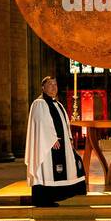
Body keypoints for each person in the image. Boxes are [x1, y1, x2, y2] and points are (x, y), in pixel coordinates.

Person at [23, 76, 87, 207]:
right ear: (43, 87)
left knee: (76, 162)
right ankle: (44, 199)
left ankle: (62, 195)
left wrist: (69, 138)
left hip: (62, 144)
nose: (53, 87)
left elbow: (65, 124)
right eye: (50, 84)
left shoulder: (58, 104)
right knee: (47, 170)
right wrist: (51, 139)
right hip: (46, 145)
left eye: (55, 84)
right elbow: (40, 124)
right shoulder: (39, 103)